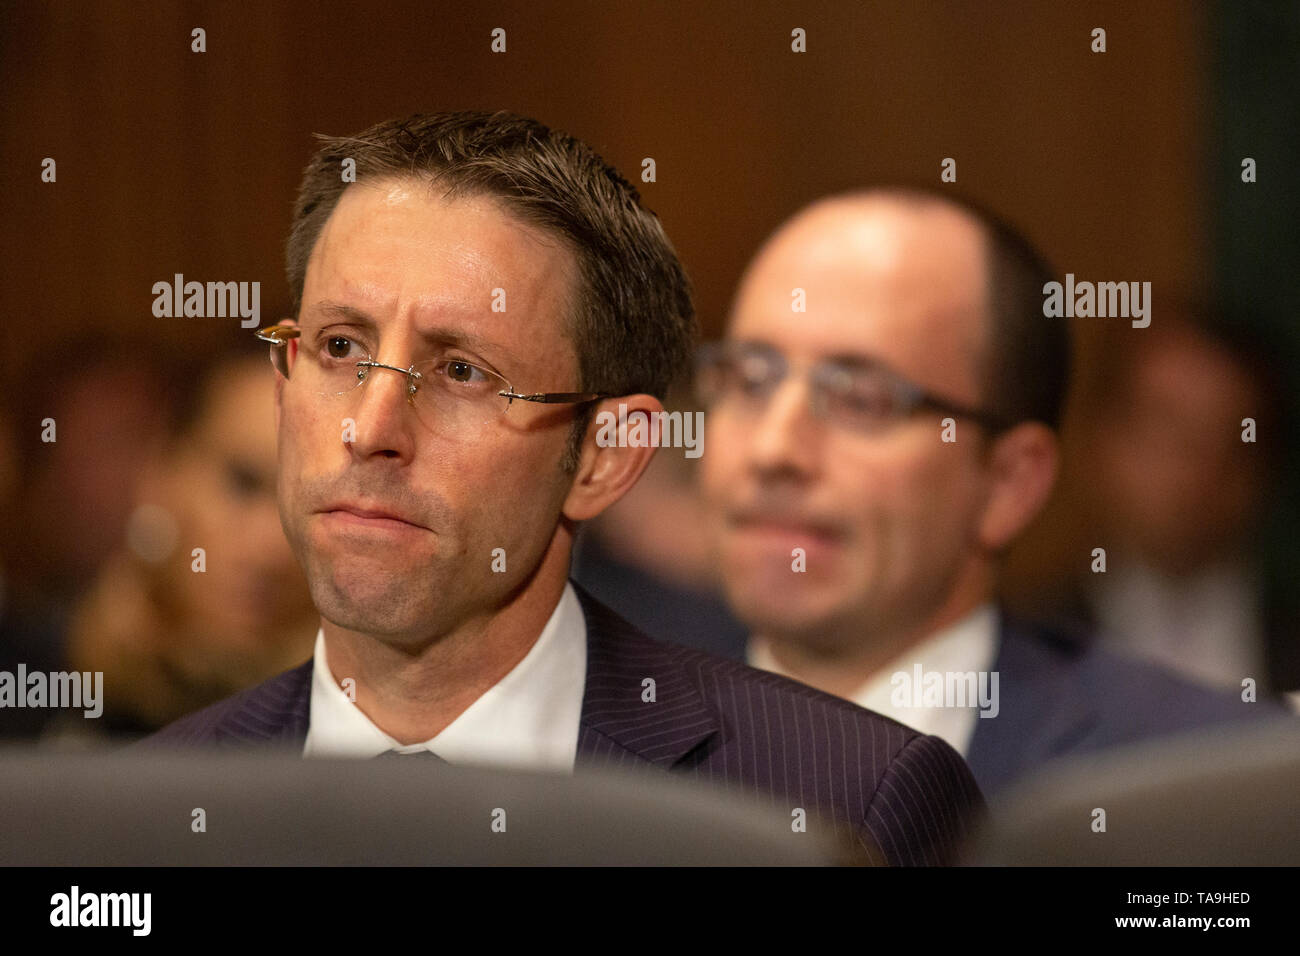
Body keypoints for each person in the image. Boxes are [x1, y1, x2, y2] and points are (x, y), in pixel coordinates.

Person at [143, 112, 984, 865]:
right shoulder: (146, 814)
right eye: (339, 350)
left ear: (605, 457)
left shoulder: (839, 805)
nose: (371, 427)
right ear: (284, 384)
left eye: (463, 372)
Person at [695, 186, 1284, 800]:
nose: (773, 450)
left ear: (1008, 483)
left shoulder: (1208, 786)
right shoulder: (604, 747)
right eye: (747, 379)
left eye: (858, 399)